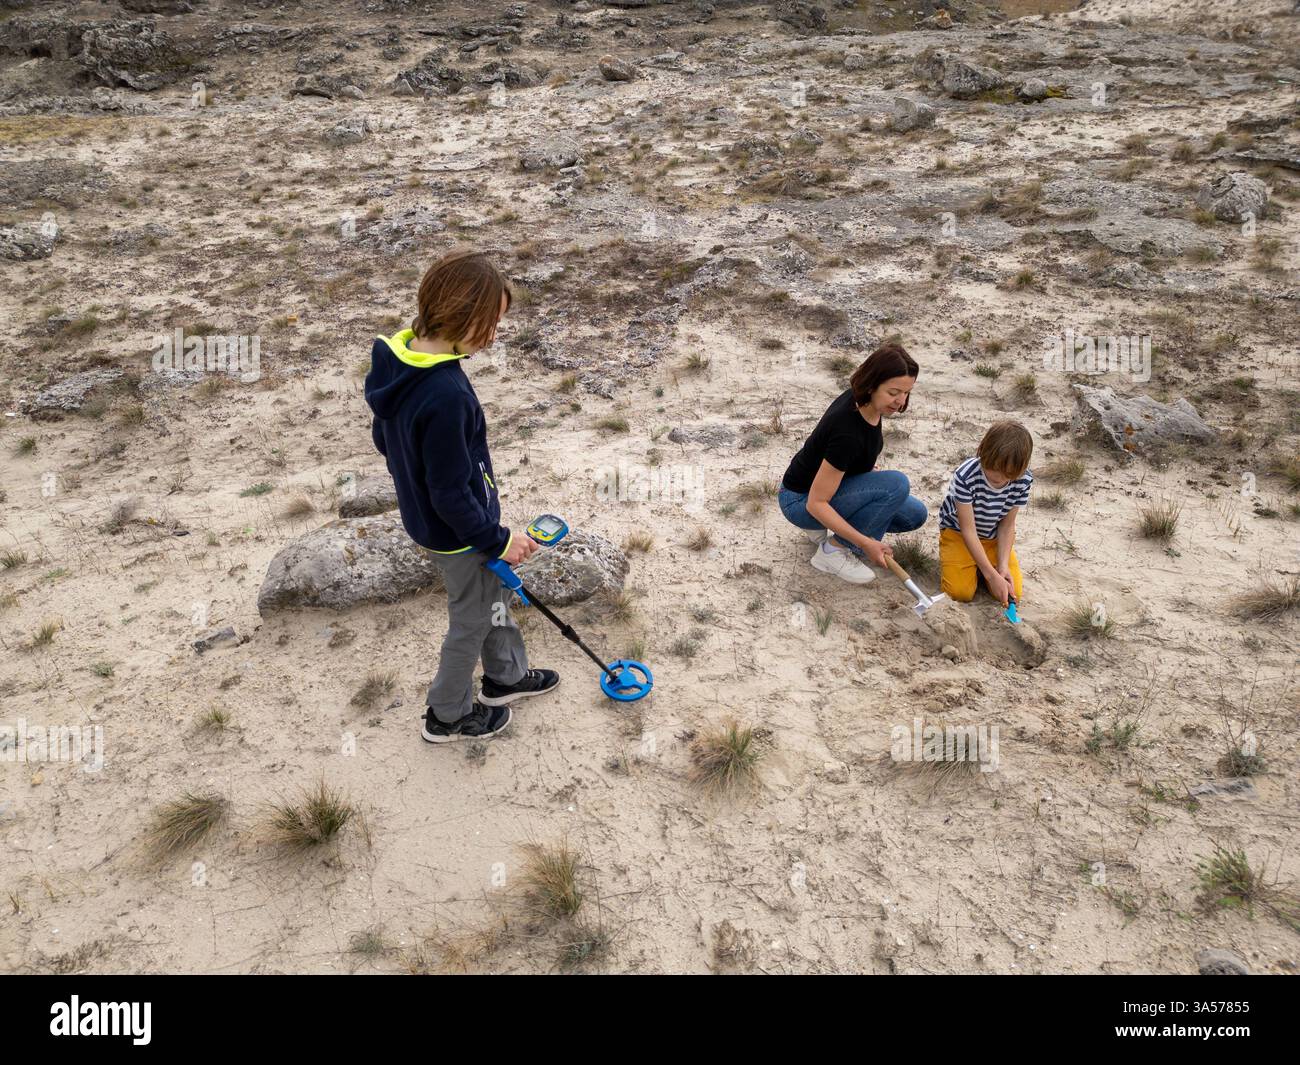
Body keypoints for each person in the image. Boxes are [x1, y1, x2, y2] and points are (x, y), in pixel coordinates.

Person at [364, 249, 559, 744]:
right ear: (460, 315)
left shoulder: (399, 359)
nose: (493, 336)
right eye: (490, 323)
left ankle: (506, 679)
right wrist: (494, 540)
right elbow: (450, 493)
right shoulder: (447, 394)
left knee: (492, 599)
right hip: (457, 534)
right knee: (470, 620)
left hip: (440, 522)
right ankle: (446, 715)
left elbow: (384, 439)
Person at [777, 343, 928, 585]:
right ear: (872, 385)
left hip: (827, 487)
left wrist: (866, 475)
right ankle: (832, 552)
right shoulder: (847, 431)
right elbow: (816, 503)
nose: (900, 401)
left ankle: (829, 532)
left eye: (906, 393)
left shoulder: (868, 405)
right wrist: (865, 542)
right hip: (799, 500)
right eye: (893, 392)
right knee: (896, 484)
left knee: (914, 515)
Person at [936, 420, 1034, 606]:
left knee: (1013, 593)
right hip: (959, 535)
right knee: (959, 592)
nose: (998, 477)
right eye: (994, 468)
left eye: (1008, 473)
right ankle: (978, 567)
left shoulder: (1024, 480)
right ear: (984, 452)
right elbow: (968, 530)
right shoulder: (966, 475)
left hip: (992, 538)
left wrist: (1002, 568)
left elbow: (1007, 526)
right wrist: (990, 575)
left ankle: (980, 567)